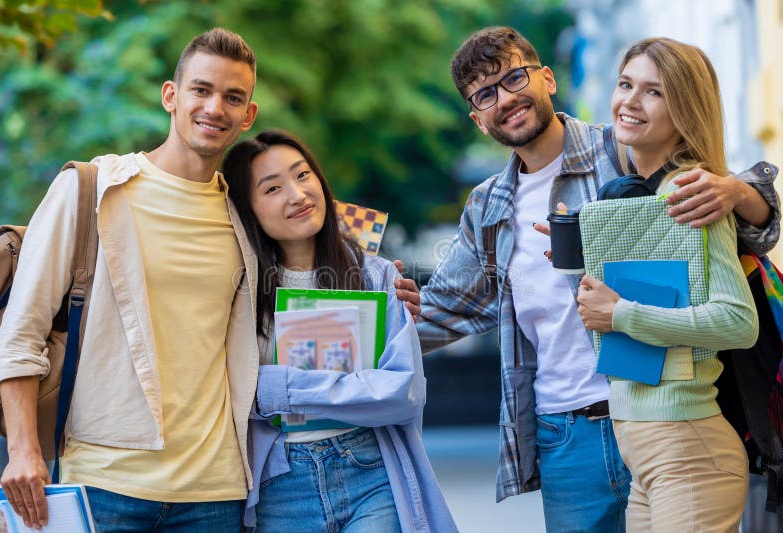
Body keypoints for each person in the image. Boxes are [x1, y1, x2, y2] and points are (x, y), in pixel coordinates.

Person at [416, 26, 779, 532]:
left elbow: (727, 194)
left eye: (514, 77)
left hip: (666, 410)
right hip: (567, 436)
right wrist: (357, 324)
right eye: (485, 94)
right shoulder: (487, 206)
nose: (506, 99)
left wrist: (736, 192)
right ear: (478, 119)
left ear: (546, 78)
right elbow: (444, 309)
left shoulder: (626, 144)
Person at [0, 28, 261, 532]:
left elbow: (314, 253)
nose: (214, 108)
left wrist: (389, 285)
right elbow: (21, 333)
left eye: (233, 97)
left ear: (248, 115)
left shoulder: (246, 216)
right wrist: (22, 451)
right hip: (104, 485)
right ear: (171, 96)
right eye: (201, 90)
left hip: (216, 492)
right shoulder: (92, 189)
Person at [221, 130, 456, 533]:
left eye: (302, 175)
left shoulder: (374, 274)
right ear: (248, 209)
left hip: (369, 469)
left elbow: (403, 393)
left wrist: (277, 388)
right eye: (273, 188)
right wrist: (354, 389)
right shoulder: (237, 289)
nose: (296, 195)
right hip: (280, 482)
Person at [577, 37, 757, 531]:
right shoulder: (638, 199)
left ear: (686, 110)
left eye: (653, 92)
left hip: (689, 452)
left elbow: (739, 322)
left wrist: (619, 315)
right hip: (649, 454)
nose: (630, 101)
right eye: (625, 84)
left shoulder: (689, 192)